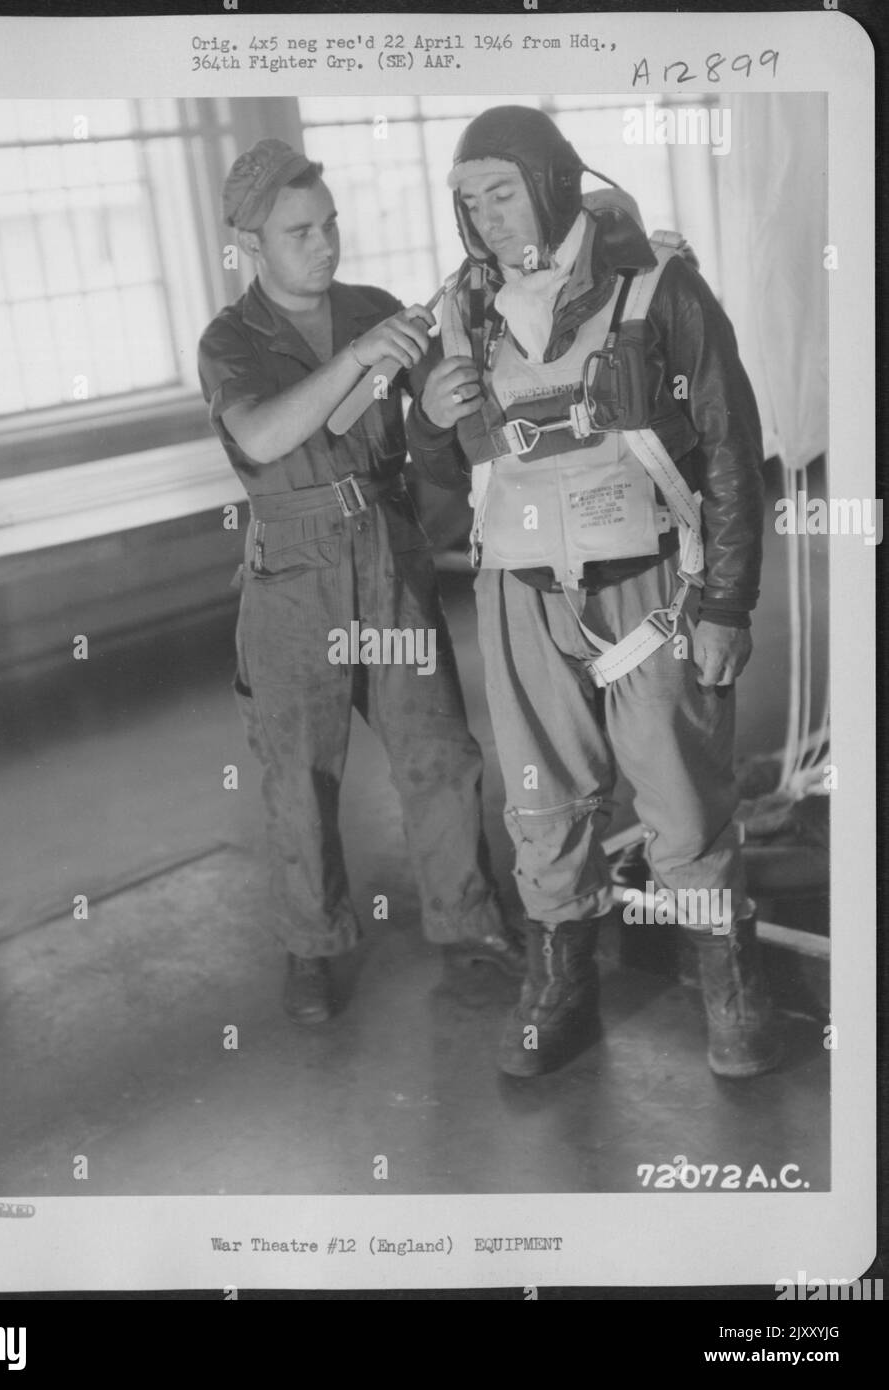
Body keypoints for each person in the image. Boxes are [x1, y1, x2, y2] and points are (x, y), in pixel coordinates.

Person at [406, 106, 782, 1080]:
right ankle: (563, 980)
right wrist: (430, 427)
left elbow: (733, 450)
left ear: (552, 181)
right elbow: (444, 499)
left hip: (649, 585)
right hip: (519, 594)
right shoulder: (462, 312)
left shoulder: (659, 288)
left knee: (685, 806)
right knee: (540, 806)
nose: (486, 216)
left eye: (502, 190)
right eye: (468, 199)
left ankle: (728, 980)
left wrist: (727, 604)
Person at [197, 139, 522, 1025]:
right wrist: (359, 360)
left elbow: (441, 416)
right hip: (295, 572)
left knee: (440, 753)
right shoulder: (232, 341)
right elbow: (261, 437)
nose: (325, 243)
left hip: (387, 548)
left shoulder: (374, 309)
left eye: (331, 223)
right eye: (301, 231)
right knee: (300, 776)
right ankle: (312, 947)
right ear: (254, 248)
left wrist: (449, 397)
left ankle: (467, 920)